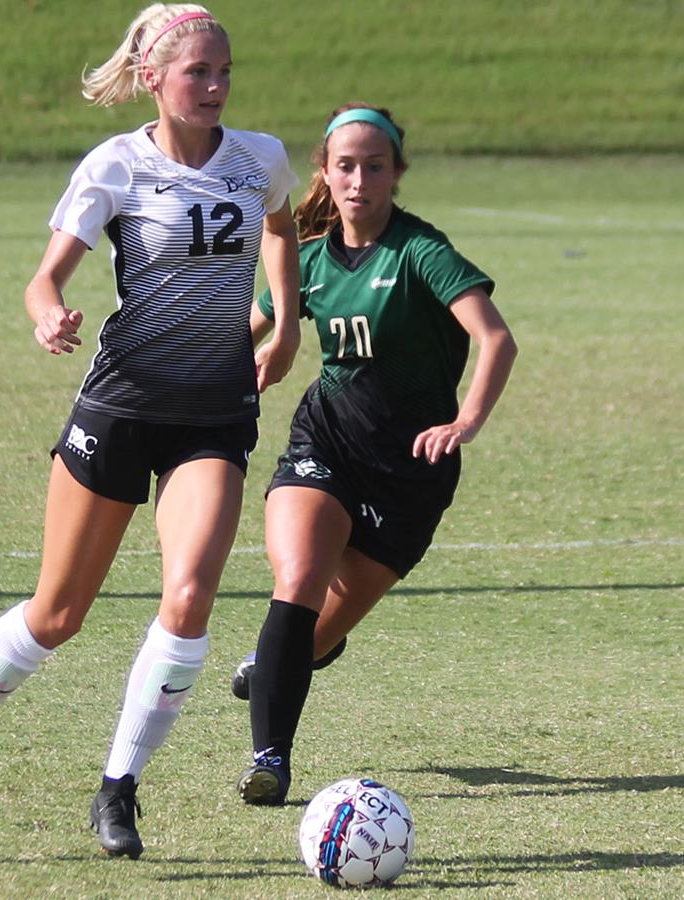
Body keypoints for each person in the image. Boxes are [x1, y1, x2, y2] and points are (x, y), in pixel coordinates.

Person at [0, 3, 300, 858]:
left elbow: (280, 223)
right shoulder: (115, 167)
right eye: (199, 73)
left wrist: (288, 318)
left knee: (191, 595)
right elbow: (45, 278)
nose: (217, 87)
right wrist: (49, 314)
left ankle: (118, 790)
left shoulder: (259, 158)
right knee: (59, 613)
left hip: (215, 412)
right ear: (153, 78)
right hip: (120, 407)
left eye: (226, 71)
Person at [232, 103, 517, 806]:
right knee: (297, 577)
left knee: (314, 641)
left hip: (411, 476)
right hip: (327, 440)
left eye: (376, 166)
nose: (360, 179)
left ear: (397, 172)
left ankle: (283, 661)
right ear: (325, 173)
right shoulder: (310, 259)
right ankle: (270, 759)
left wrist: (467, 419)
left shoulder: (420, 252)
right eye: (346, 165)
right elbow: (247, 333)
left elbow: (496, 339)